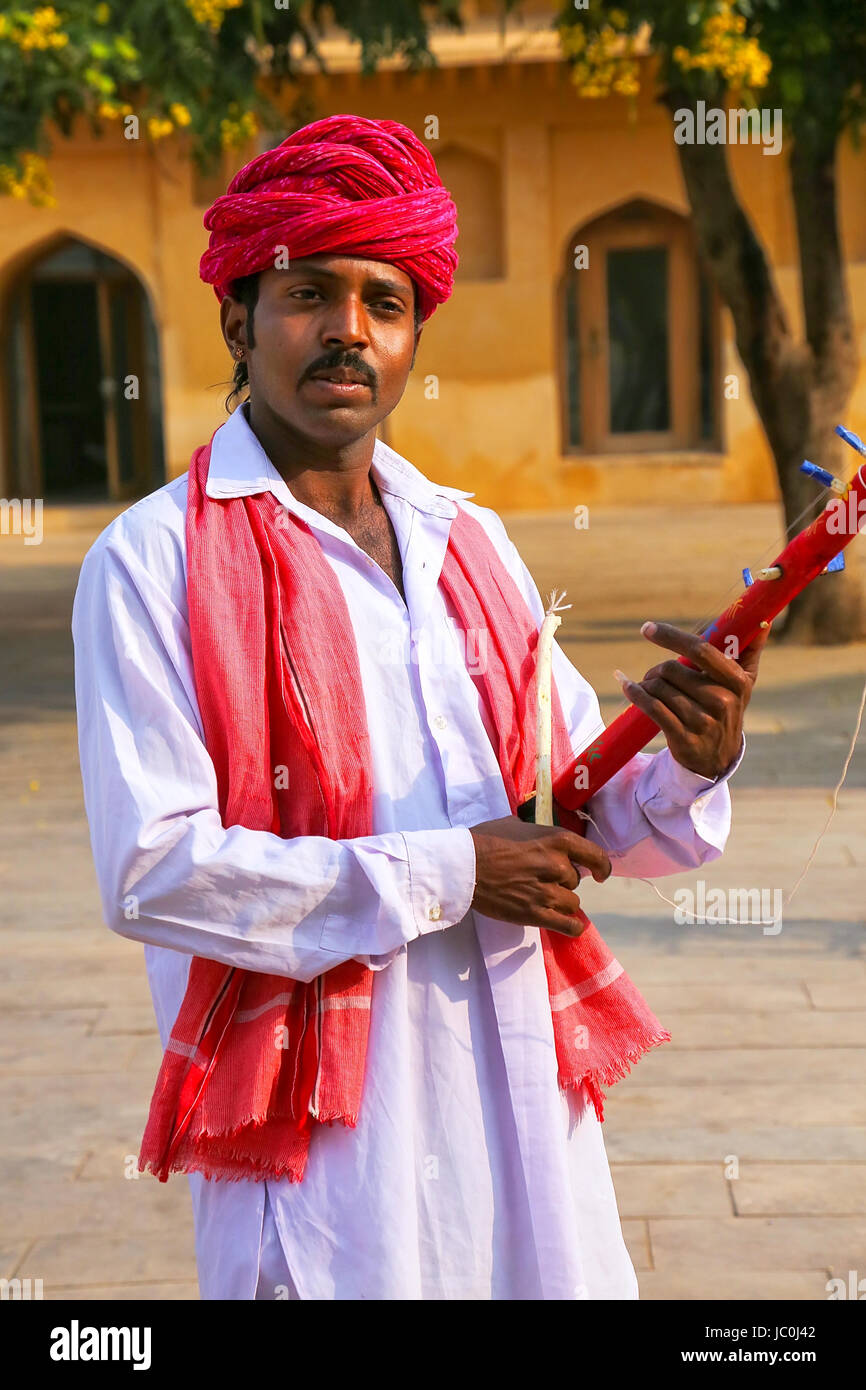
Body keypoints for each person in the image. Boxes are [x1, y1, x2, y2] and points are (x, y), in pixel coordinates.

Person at [71, 114, 765, 1301]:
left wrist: (687, 763)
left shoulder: (470, 540)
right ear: (238, 318)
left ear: (411, 337)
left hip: (521, 1111)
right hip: (333, 1156)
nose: (348, 331)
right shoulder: (152, 561)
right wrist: (449, 871)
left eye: (383, 304)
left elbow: (566, 817)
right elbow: (155, 868)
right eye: (309, 293)